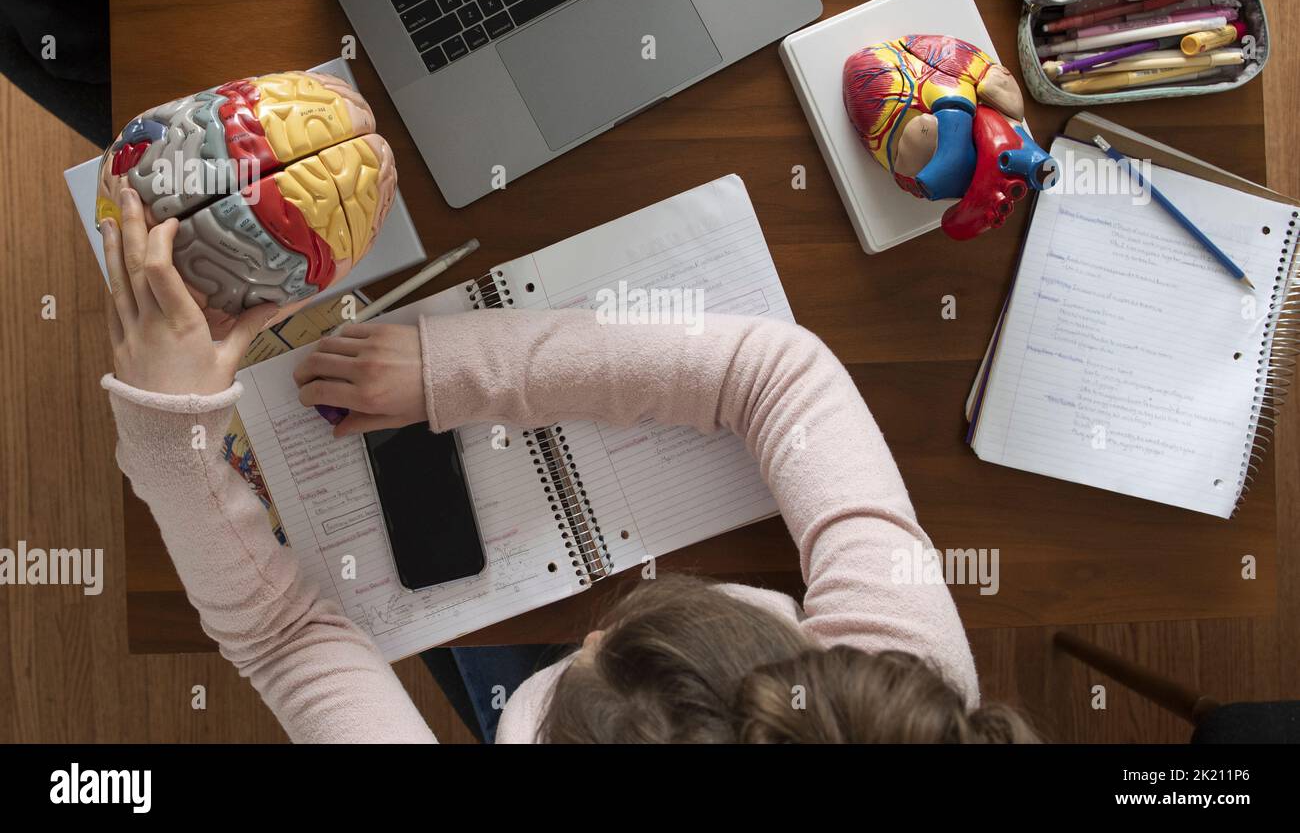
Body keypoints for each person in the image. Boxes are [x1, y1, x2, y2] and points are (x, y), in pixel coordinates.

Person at [101, 187, 1035, 743]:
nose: (588, 634)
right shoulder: (899, 694)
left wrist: (166, 426)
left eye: (583, 662)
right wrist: (458, 368)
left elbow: (280, 638)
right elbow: (776, 372)